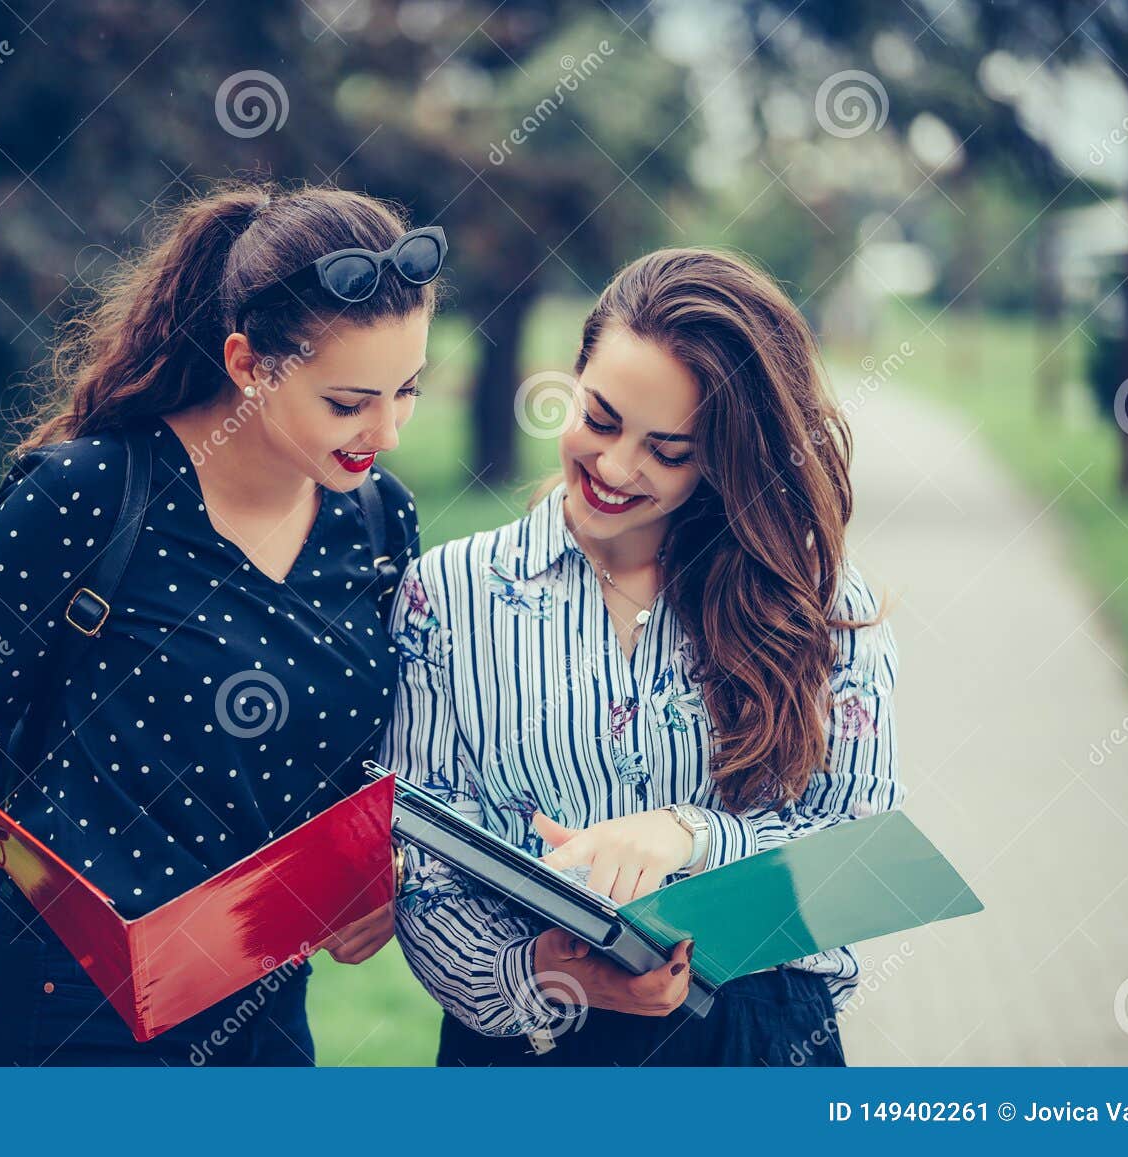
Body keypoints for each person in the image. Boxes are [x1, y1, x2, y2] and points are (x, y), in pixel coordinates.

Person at [0, 182, 444, 1065]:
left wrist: (379, 878)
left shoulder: (378, 518)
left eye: (409, 391)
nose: (388, 432)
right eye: (350, 402)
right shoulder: (87, 493)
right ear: (247, 364)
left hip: (259, 1003)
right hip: (59, 1002)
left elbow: (371, 762)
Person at [380, 247, 902, 1067]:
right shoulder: (448, 595)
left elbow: (862, 863)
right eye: (600, 418)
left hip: (753, 1048)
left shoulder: (820, 608)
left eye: (669, 450)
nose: (616, 467)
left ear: (728, 459)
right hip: (532, 1053)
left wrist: (688, 835)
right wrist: (540, 972)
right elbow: (422, 871)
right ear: (574, 376)